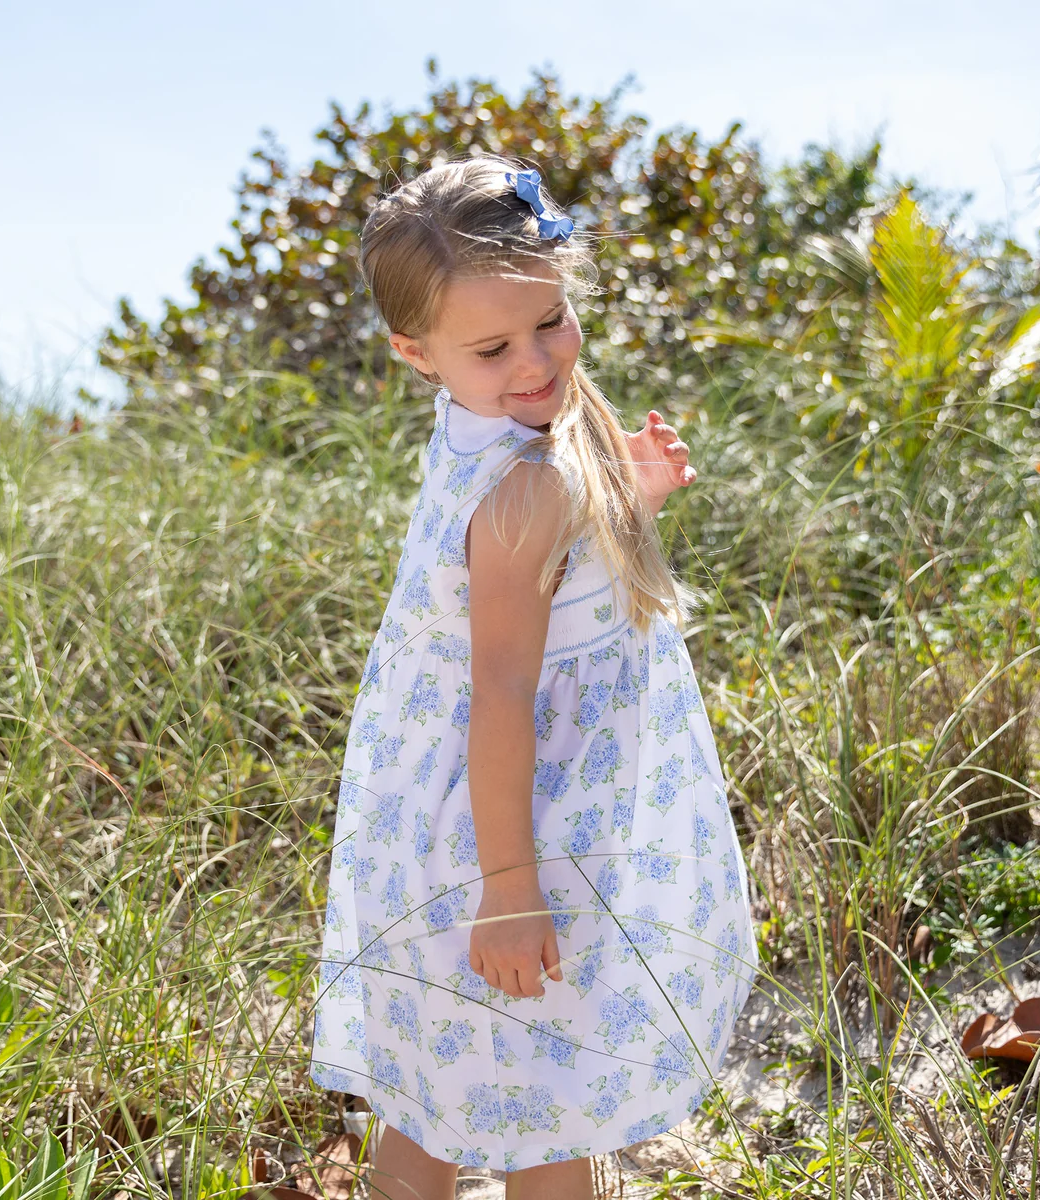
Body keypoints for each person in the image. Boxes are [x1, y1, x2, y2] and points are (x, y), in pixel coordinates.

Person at [309, 155, 758, 1200]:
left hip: (464, 816)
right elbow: (504, 687)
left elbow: (551, 582)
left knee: (454, 1088)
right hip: (519, 828)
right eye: (494, 346)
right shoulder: (525, 486)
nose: (534, 361)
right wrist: (511, 889)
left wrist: (626, 497)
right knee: (543, 1107)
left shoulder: (507, 430)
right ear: (414, 353)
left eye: (549, 323)